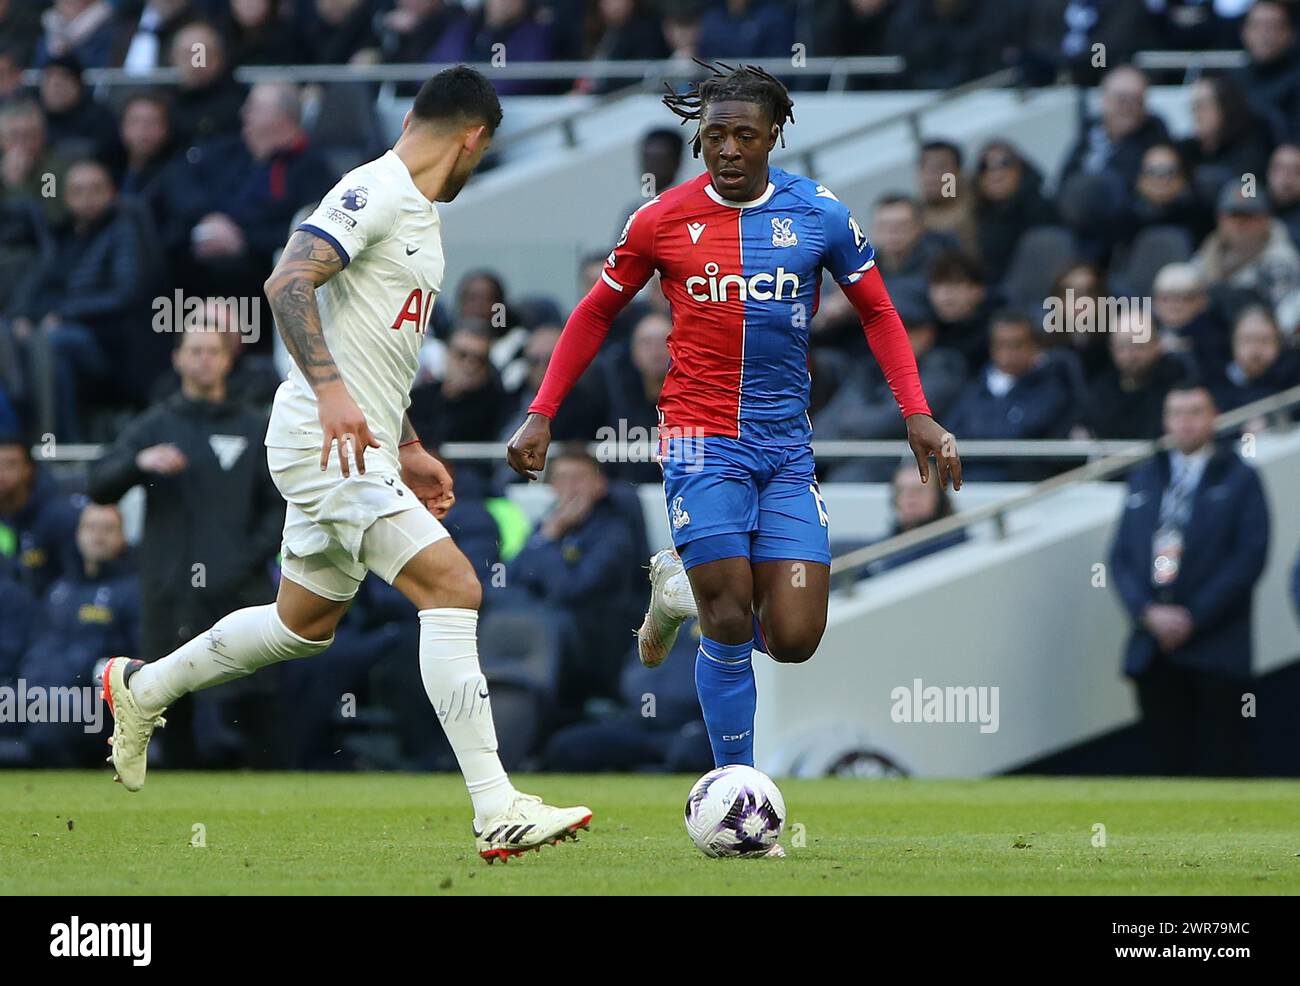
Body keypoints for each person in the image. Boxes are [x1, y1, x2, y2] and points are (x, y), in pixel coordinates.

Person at [99, 66, 591, 861]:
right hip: (321, 442)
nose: (478, 163)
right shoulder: (375, 189)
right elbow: (287, 280)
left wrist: (404, 444)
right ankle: (496, 805)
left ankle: (141, 687)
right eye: (483, 151)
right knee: (455, 585)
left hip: (361, 447)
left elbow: (378, 348)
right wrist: (328, 391)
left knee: (303, 627)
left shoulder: (420, 214)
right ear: (474, 137)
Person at [506, 64, 960, 840]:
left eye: (744, 134)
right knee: (728, 613)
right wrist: (542, 412)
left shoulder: (817, 213)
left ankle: (679, 597)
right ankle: (738, 798)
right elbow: (593, 313)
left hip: (786, 448)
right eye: (714, 135)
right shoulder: (660, 220)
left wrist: (916, 413)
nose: (727, 149)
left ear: (773, 134)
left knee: (793, 636)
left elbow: (881, 314)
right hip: (696, 437)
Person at [87, 326, 284, 766]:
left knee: (254, 703)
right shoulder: (156, 425)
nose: (203, 360)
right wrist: (139, 464)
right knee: (173, 707)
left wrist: (243, 560)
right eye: (194, 351)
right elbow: (98, 485)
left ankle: (270, 789)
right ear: (176, 358)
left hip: (240, 592)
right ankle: (180, 807)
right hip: (169, 593)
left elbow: (280, 507)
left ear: (227, 359)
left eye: (213, 351)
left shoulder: (253, 427)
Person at [1109, 383, 1269, 775]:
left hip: (1216, 646)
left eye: (1195, 412)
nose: (1185, 422)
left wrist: (1193, 616)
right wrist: (1147, 612)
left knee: (1223, 759)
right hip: (1154, 647)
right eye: (1177, 413)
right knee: (1166, 760)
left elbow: (1248, 557)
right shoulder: (1146, 476)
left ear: (1213, 416)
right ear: (1165, 420)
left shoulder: (1239, 477)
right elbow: (1121, 557)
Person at [21, 503, 137, 766]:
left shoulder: (134, 592)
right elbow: (36, 648)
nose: (98, 535)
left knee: (51, 720)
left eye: (108, 529)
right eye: (90, 527)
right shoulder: (58, 590)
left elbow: (137, 660)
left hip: (96, 705)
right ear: (78, 534)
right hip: (37, 695)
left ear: (122, 538)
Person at [0, 434, 80, 597]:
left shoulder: (59, 518)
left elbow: (74, 580)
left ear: (28, 469)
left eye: (10, 465)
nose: (1, 473)